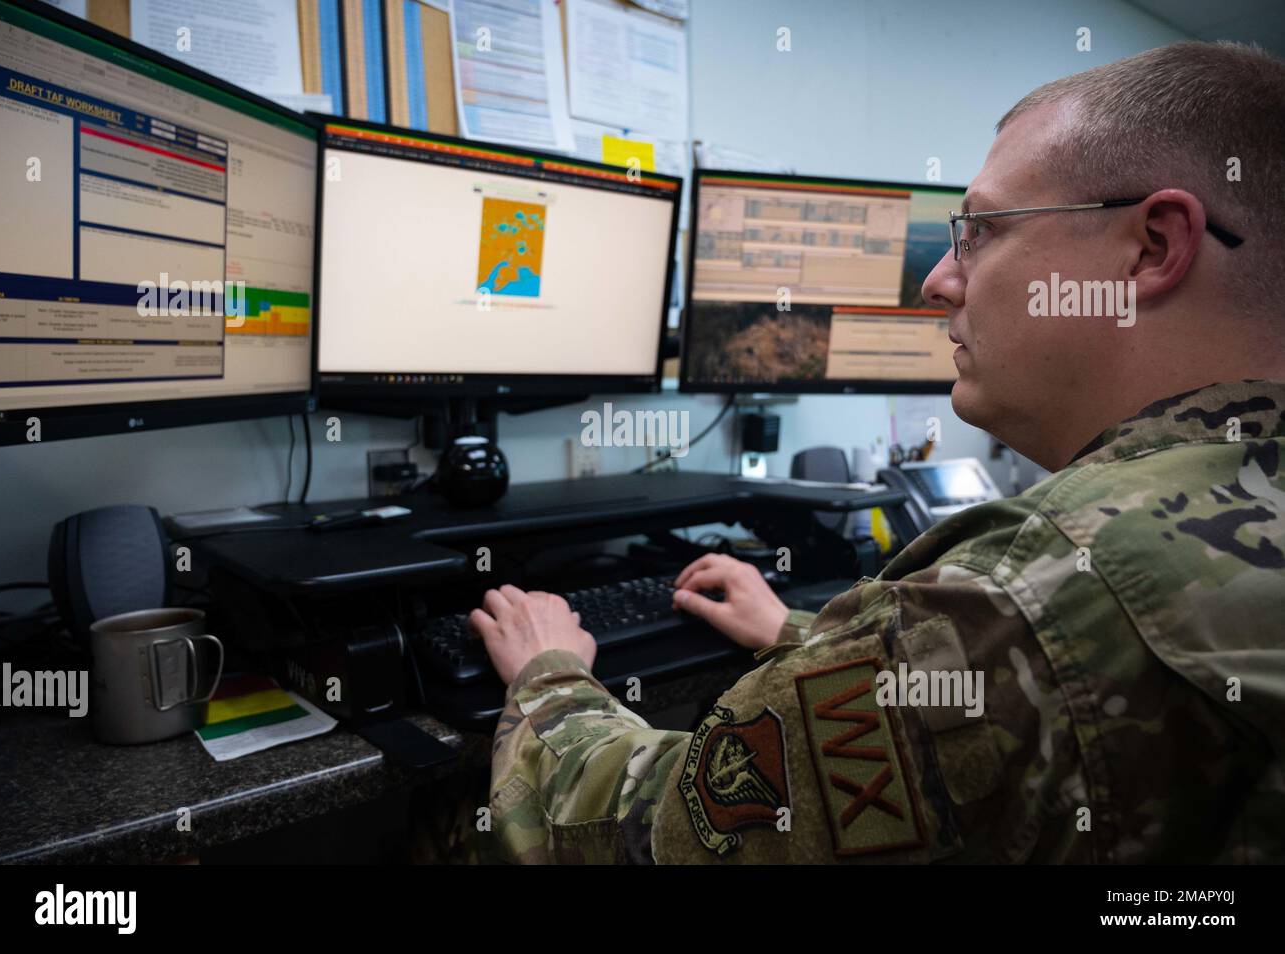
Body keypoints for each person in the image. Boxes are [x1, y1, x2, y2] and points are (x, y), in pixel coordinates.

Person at [472, 41, 1285, 864]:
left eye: (980, 232)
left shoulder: (1033, 590)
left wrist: (549, 672)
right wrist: (803, 637)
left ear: (1150, 246)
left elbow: (654, 837)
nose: (938, 281)